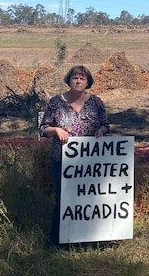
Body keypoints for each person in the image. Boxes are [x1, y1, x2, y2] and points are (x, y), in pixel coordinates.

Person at [39, 65, 110, 246]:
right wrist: (55, 130)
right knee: (63, 198)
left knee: (88, 199)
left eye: (82, 78)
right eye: (75, 78)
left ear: (88, 82)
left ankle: (88, 239)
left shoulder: (96, 102)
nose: (78, 81)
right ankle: (57, 241)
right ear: (69, 80)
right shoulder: (56, 102)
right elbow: (43, 128)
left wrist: (101, 130)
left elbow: (105, 124)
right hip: (62, 160)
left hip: (89, 162)